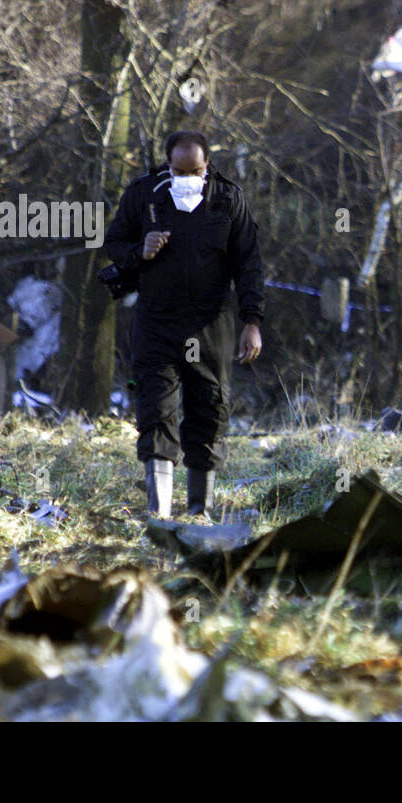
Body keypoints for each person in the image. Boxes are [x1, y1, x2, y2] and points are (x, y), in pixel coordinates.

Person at [104, 130, 264, 518]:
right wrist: (138, 251)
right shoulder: (144, 194)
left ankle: (199, 510)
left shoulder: (229, 200)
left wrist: (252, 321)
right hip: (157, 319)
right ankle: (158, 511)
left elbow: (249, 264)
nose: (187, 177)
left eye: (195, 170)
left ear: (207, 165)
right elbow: (113, 242)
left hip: (211, 323)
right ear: (168, 165)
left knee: (209, 409)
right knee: (156, 409)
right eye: (179, 170)